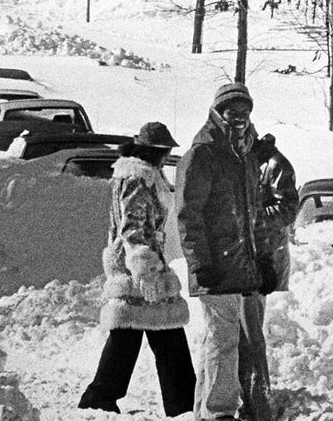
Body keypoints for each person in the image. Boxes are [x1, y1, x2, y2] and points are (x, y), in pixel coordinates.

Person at [79, 122, 196, 415]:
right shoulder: (136, 177)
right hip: (138, 264)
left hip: (140, 262)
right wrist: (143, 267)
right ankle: (182, 401)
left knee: (134, 331)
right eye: (163, 151)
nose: (166, 155)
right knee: (159, 329)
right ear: (152, 151)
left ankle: (103, 396)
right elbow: (132, 227)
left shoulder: (141, 174)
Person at [177, 83, 276, 421]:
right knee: (224, 338)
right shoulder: (203, 153)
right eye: (232, 112)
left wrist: (262, 258)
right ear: (218, 113)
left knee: (219, 339)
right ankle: (220, 412)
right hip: (215, 264)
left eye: (245, 113)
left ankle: (206, 410)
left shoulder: (243, 154)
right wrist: (200, 262)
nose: (239, 118)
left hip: (240, 263)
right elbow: (188, 214)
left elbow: (249, 210)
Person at [238, 133, 299, 421]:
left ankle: (258, 404)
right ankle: (249, 401)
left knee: (251, 335)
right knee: (244, 334)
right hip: (247, 258)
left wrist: (249, 216)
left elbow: (288, 209)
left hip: (262, 259)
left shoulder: (275, 164)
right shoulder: (252, 164)